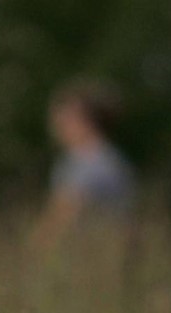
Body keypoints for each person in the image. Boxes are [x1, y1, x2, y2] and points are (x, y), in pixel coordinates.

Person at [34, 78, 136, 250]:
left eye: (65, 118)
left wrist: (34, 250)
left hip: (91, 255)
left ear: (85, 121)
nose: (56, 125)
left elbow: (61, 218)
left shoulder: (91, 163)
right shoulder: (111, 160)